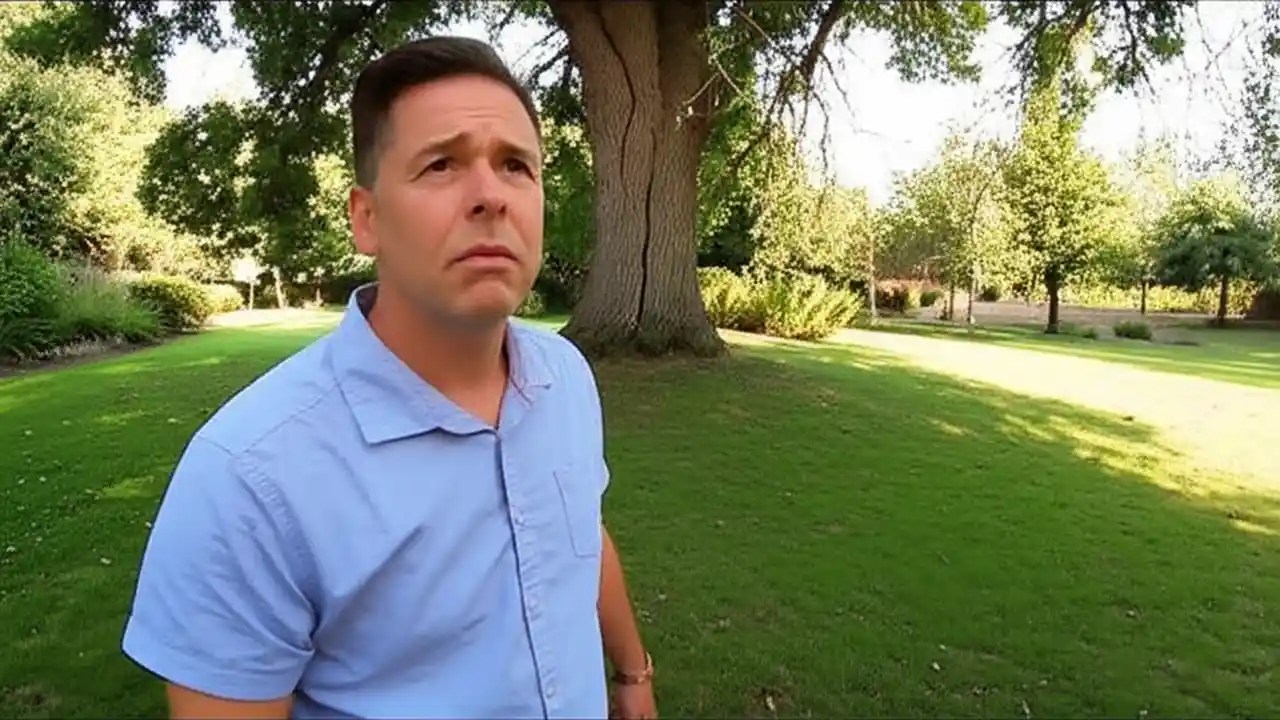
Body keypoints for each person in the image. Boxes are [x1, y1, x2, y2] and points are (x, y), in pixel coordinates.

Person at [121, 36, 657, 720]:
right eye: (442, 164)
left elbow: (581, 529)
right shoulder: (250, 479)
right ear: (366, 219)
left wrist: (633, 673)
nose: (491, 195)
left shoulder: (567, 378)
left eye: (516, 165)